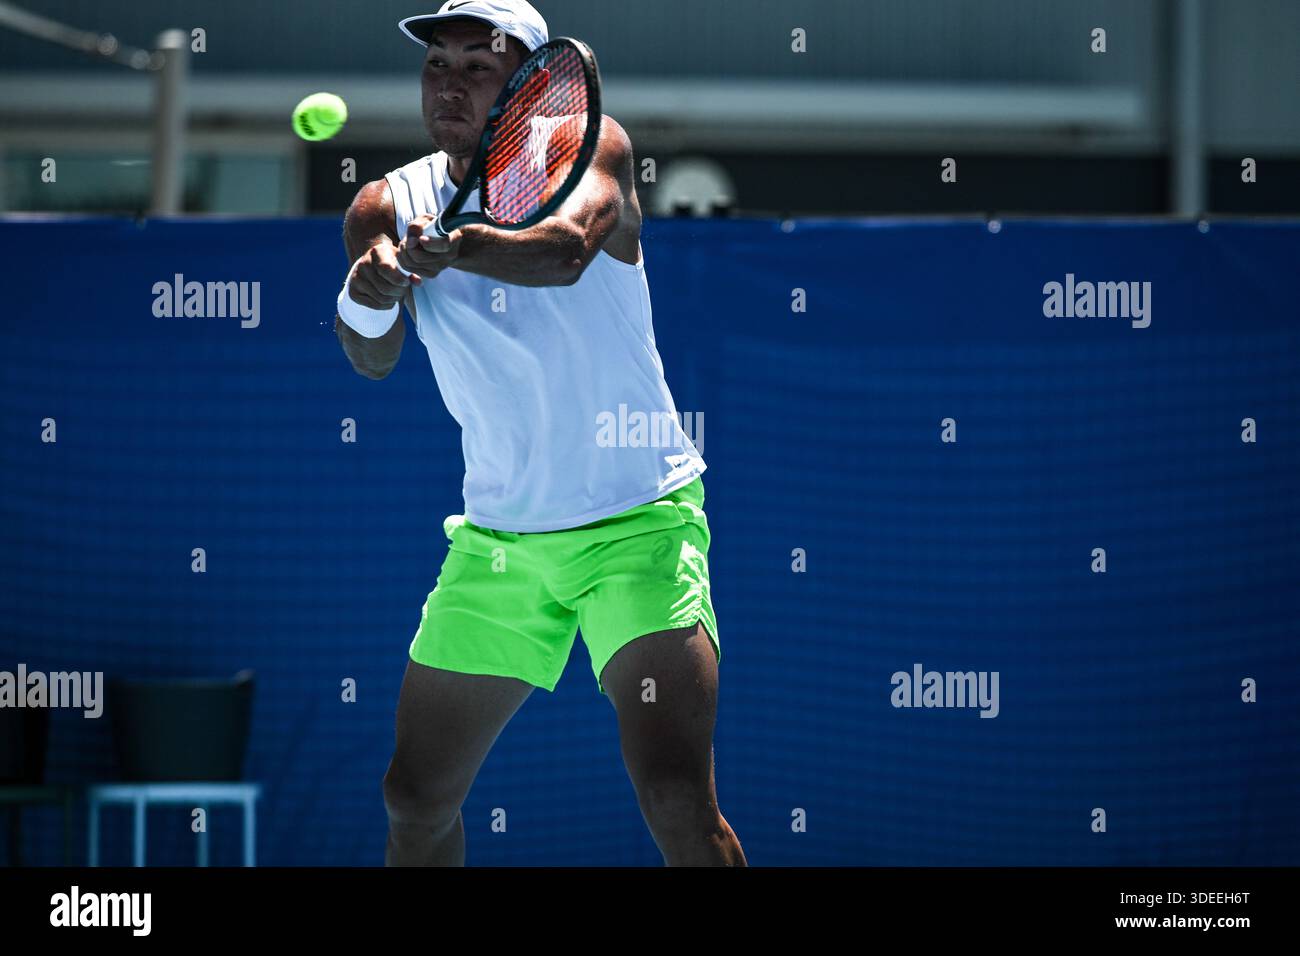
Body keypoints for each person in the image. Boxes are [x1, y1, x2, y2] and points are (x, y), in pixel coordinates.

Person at [333, 0, 745, 866]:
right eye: (437, 65)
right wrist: (365, 298)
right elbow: (373, 360)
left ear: (528, 85)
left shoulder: (595, 150)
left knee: (675, 797)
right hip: (499, 545)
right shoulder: (384, 202)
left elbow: (561, 252)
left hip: (638, 525)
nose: (449, 84)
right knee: (414, 798)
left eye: (477, 67)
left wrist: (458, 246)